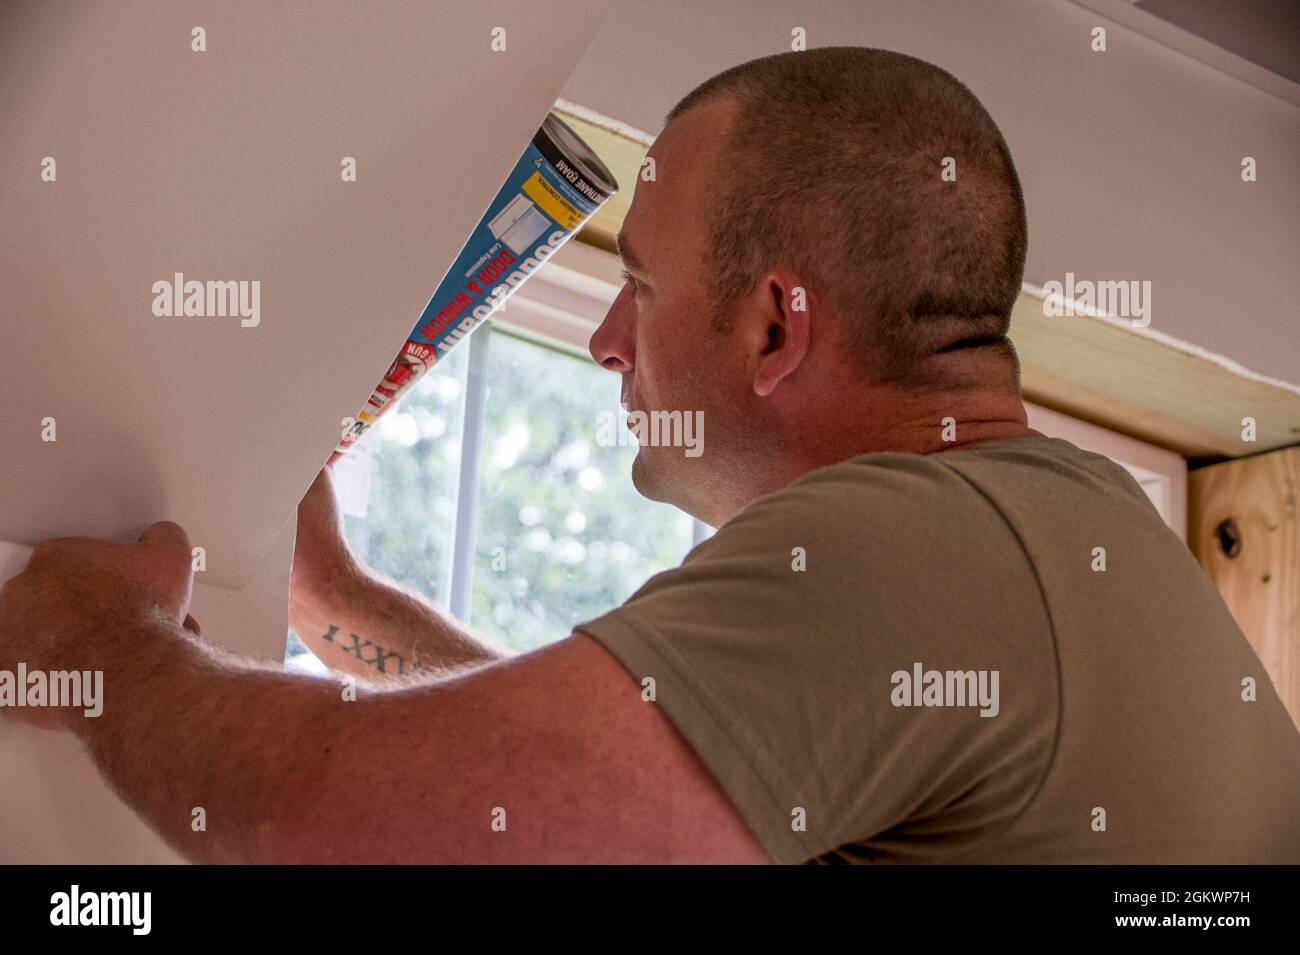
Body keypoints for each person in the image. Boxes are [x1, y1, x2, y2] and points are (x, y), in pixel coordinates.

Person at [2, 48, 1297, 864]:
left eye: (640, 285)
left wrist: (96, 649)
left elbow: (372, 825)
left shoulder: (924, 547)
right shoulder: (1048, 537)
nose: (611, 340)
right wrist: (339, 607)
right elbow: (608, 791)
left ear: (775, 323)